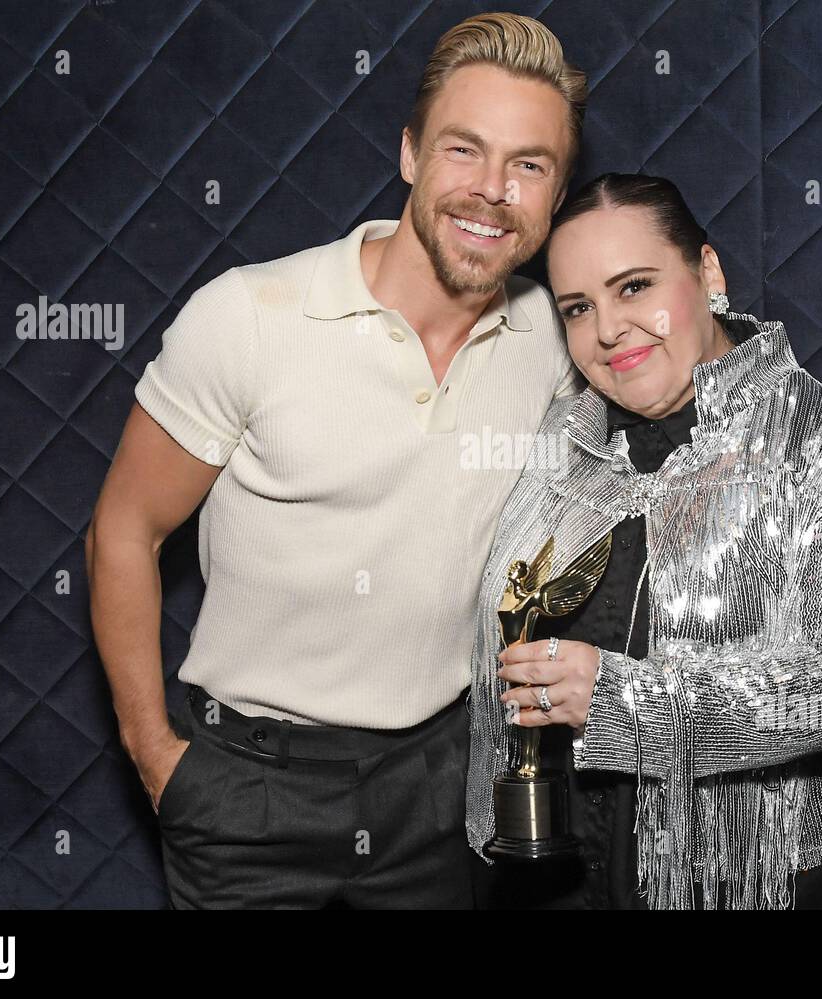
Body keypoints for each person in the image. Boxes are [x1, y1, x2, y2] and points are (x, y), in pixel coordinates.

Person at [85, 13, 587, 908]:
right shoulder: (249, 316)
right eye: (463, 151)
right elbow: (124, 528)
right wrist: (158, 758)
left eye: (529, 166)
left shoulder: (556, 338)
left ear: (555, 195)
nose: (491, 191)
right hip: (248, 789)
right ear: (408, 154)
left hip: (441, 788)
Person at [466, 173, 822, 910]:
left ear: (707, 273)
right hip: (563, 875)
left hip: (760, 886)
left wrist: (625, 703)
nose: (608, 328)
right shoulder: (563, 437)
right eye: (578, 307)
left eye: (635, 286)